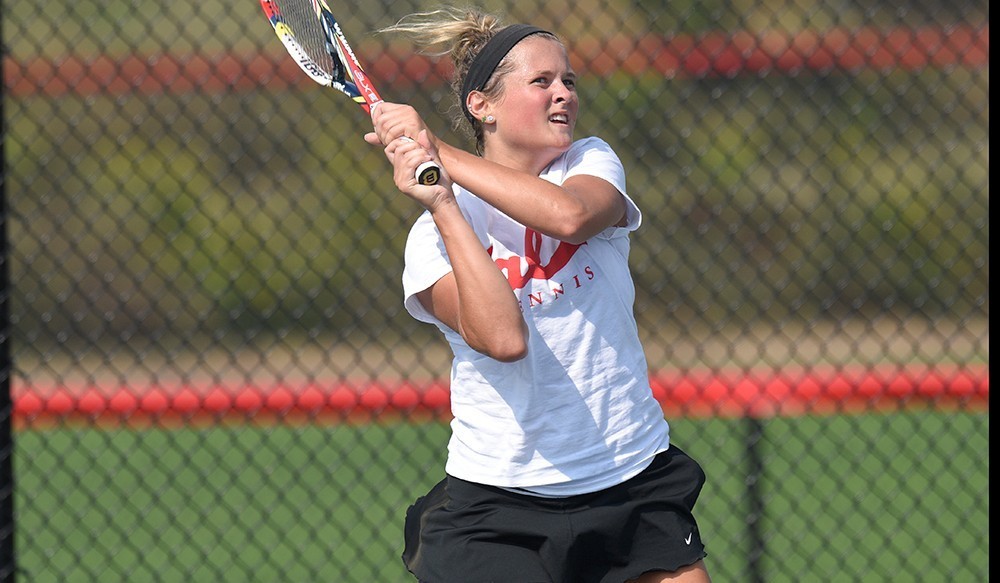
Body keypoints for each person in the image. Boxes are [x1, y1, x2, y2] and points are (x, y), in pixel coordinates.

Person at [364, 7, 711, 583]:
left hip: (630, 476)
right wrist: (444, 202)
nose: (563, 95)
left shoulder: (589, 163)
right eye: (541, 81)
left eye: (568, 81)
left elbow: (569, 217)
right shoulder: (431, 239)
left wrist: (437, 151)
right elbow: (503, 339)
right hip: (501, 505)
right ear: (483, 106)